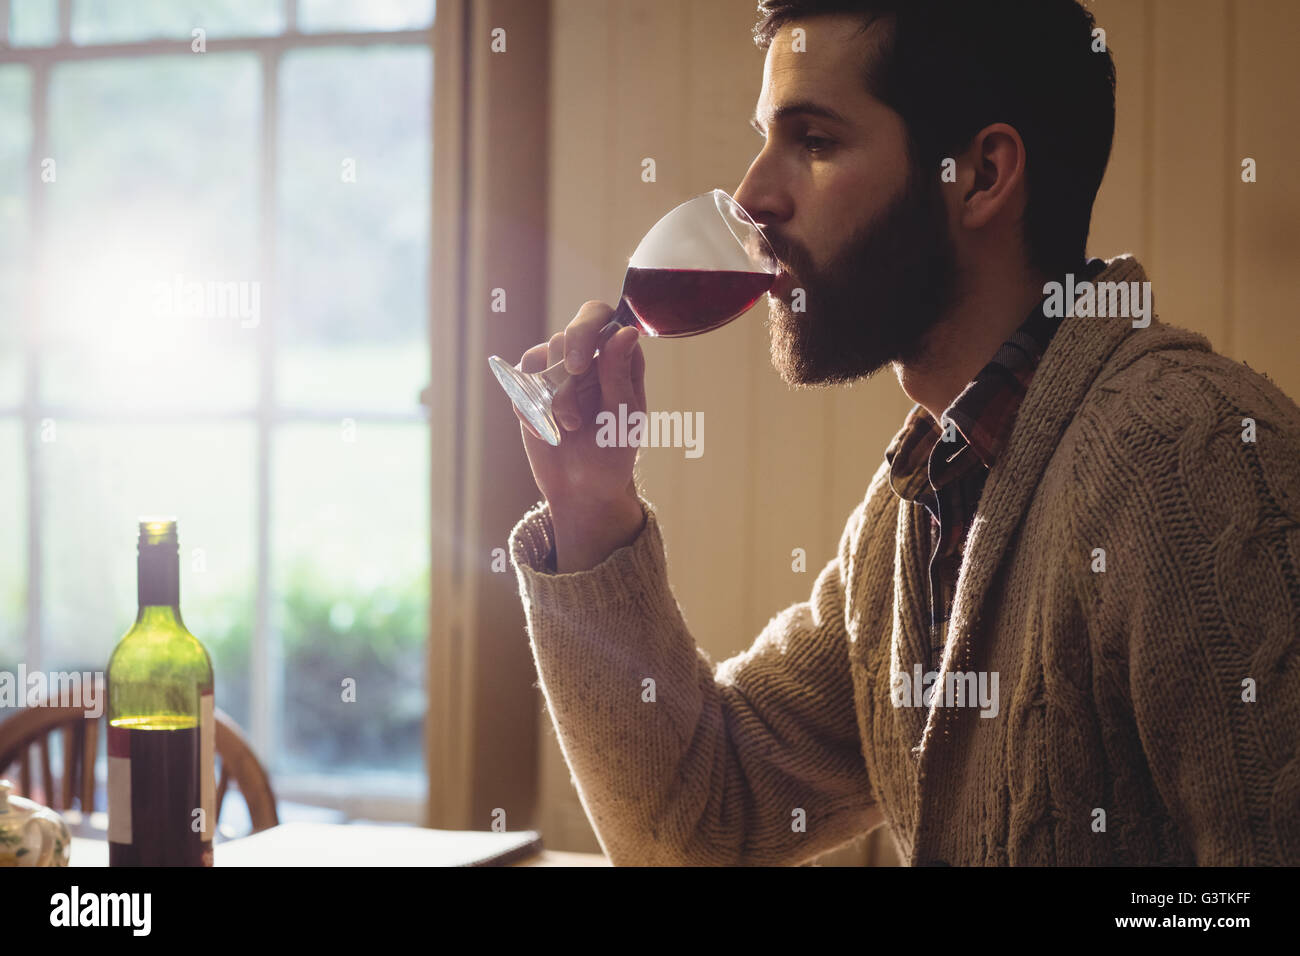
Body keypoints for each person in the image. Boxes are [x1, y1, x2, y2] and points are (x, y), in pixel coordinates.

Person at [505, 0, 1300, 865]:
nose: (753, 195)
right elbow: (700, 822)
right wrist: (589, 508)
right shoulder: (912, 513)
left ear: (983, 175)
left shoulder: (1197, 460)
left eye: (813, 140)